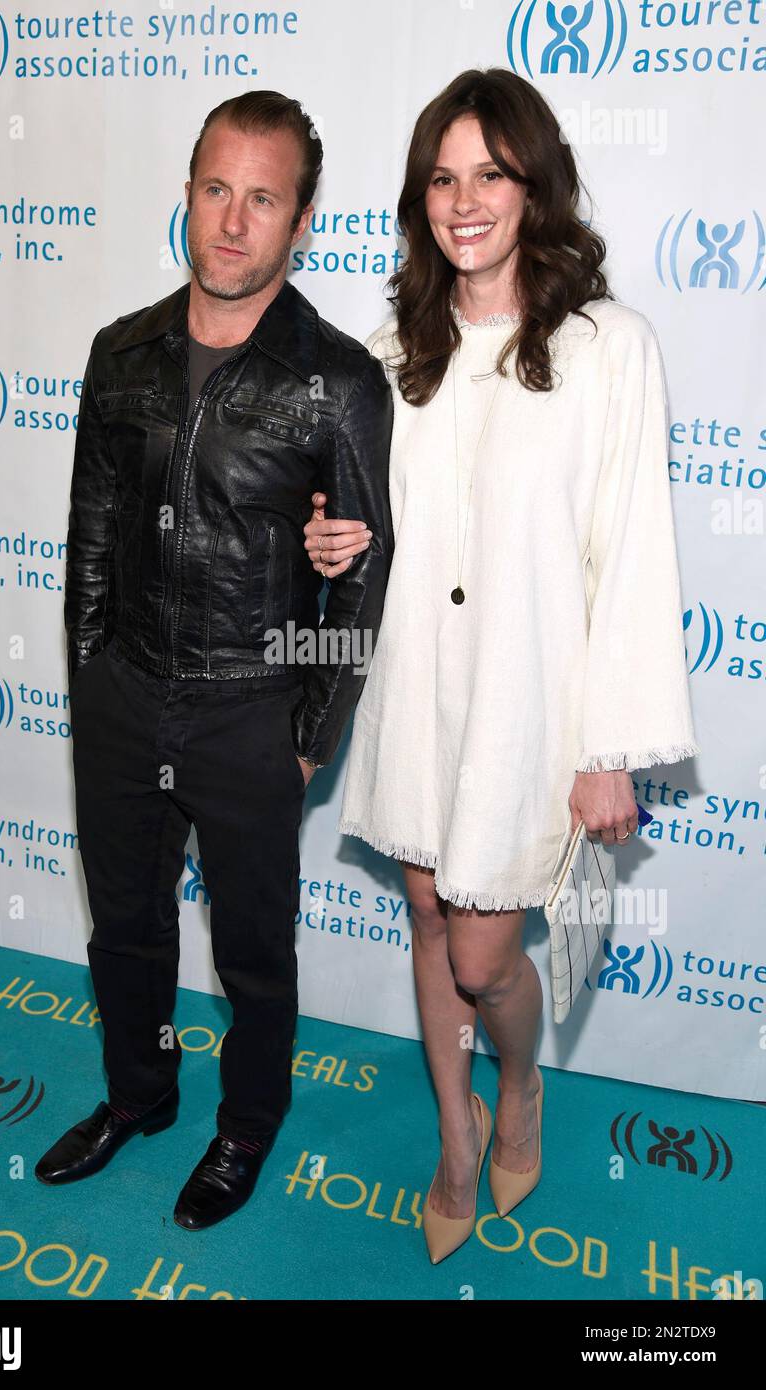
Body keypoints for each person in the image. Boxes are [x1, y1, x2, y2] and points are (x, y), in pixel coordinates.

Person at [301, 68, 699, 1264]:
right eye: (440, 176)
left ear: (534, 187)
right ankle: (457, 1139)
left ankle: (515, 1086)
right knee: (426, 919)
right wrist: (332, 540)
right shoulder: (388, 352)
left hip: (531, 708)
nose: (461, 200)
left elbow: (630, 555)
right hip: (415, 696)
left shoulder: (605, 348)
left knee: (484, 956)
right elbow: (360, 531)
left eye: (489, 174)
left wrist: (607, 751)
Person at [35, 91, 394, 1231]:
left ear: (300, 222)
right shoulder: (118, 352)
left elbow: (361, 570)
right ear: (186, 195)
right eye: (214, 190)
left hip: (251, 705)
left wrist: (305, 738)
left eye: (263, 199)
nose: (232, 223)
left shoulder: (336, 380)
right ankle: (138, 1097)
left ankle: (246, 1127)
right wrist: (93, 674)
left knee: (251, 951)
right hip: (126, 694)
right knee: (125, 928)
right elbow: (90, 534)